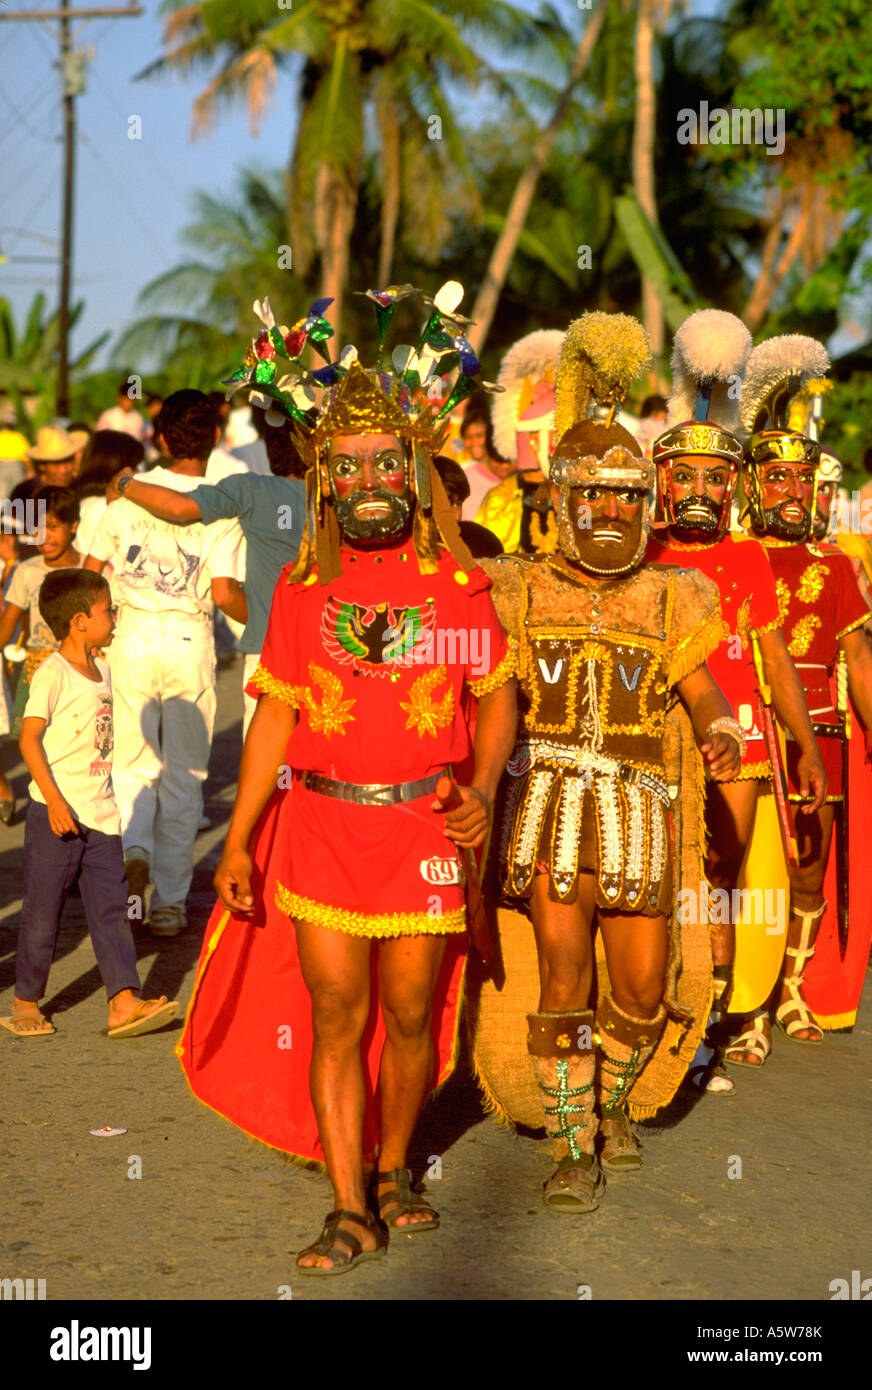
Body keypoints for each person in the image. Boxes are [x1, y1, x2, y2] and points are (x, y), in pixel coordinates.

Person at [177, 288, 517, 1276]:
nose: (367, 477)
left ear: (411, 472)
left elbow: (492, 697)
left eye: (384, 461)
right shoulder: (306, 590)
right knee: (337, 1014)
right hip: (321, 830)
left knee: (410, 1014)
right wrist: (239, 835)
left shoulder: (451, 590)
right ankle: (346, 1207)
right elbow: (274, 712)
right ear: (322, 476)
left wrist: (480, 787)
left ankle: (395, 1167)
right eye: (347, 462)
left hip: (419, 837)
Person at [473, 312, 743, 1212]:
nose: (617, 510)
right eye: (599, 494)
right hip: (546, 807)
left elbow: (699, 686)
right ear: (562, 498)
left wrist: (720, 727)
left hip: (641, 814)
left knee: (637, 991)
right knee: (563, 982)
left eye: (631, 496)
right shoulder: (514, 586)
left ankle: (613, 1104)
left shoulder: (674, 595)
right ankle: (572, 1145)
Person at [647, 311, 826, 1085]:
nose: (697, 489)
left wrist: (808, 746)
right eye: (682, 475)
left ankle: (705, 1035)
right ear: (660, 481)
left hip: (741, 743)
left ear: (733, 485)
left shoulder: (749, 557)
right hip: (652, 740)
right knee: (654, 879)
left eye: (713, 477)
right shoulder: (639, 551)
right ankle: (652, 1022)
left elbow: (776, 660)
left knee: (717, 883)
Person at [738, 334, 872, 1056]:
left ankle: (789, 988)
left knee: (808, 865)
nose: (794, 494)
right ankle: (745, 1003)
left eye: (803, 483)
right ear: (756, 486)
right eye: (780, 482)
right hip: (743, 728)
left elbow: (858, 655)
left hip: (819, 727)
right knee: (741, 865)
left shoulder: (839, 565)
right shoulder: (730, 557)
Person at [83, 390, 247, 939]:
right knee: (184, 778)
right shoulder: (221, 501)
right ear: (215, 439)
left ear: (160, 437)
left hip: (126, 636)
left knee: (131, 767)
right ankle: (171, 903)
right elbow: (224, 593)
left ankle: (134, 856)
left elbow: (89, 574)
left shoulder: (125, 497)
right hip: (188, 639)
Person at [1, 568, 178, 1039]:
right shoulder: (51, 675)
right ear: (79, 621)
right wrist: (55, 802)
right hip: (56, 814)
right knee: (43, 912)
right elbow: (29, 740)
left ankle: (123, 1002)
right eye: (107, 611)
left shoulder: (104, 668)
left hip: (102, 816)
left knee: (111, 910)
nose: (114, 617)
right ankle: (25, 1000)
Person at [106, 412, 307, 736]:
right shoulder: (338, 497)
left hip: (271, 649)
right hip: (331, 646)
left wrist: (125, 483)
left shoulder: (252, 490)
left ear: (271, 448)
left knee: (269, 759)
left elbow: (178, 508)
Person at [0, 487, 83, 738]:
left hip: (80, 672)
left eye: (52, 527)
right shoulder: (26, 571)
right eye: (35, 528)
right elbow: (7, 624)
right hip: (38, 673)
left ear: (73, 525)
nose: (43, 536)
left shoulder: (89, 569)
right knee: (37, 745)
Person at [477, 330, 562, 554]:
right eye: (555, 435)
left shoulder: (576, 494)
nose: (561, 443)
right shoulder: (500, 499)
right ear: (533, 440)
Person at [74, 430, 146, 559]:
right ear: (115, 465)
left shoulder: (92, 503)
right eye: (135, 466)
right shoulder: (99, 508)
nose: (140, 472)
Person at [433, 455, 503, 559]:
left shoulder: (481, 543)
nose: (454, 515)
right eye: (445, 505)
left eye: (457, 504)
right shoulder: (403, 550)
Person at [457, 404, 515, 519]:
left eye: (479, 436)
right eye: (468, 437)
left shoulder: (509, 471)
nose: (474, 442)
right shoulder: (463, 476)